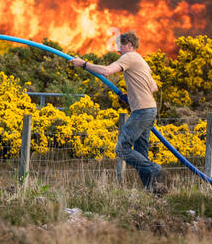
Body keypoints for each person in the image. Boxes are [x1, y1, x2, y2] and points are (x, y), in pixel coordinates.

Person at [71, 32, 166, 194]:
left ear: (129, 44)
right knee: (141, 152)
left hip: (142, 111)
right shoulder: (142, 61)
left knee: (122, 149)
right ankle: (152, 190)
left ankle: (156, 170)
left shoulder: (129, 57)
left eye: (120, 46)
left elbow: (107, 71)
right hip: (150, 109)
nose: (118, 51)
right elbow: (153, 87)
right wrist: (130, 96)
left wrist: (84, 64)